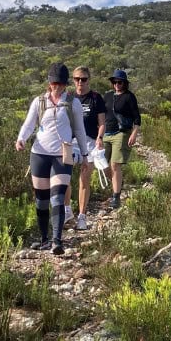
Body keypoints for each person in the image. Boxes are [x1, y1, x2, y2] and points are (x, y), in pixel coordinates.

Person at [15, 62, 89, 255]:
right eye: (54, 83)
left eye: (60, 83)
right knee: (41, 199)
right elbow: (29, 124)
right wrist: (21, 139)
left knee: (57, 197)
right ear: (49, 83)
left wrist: (85, 155)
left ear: (65, 84)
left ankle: (57, 241)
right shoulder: (39, 102)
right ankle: (44, 240)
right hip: (39, 154)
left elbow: (80, 130)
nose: (56, 86)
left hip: (62, 155)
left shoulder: (73, 103)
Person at [63, 66, 106, 231]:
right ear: (73, 80)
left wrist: (100, 138)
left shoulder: (95, 98)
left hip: (89, 142)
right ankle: (67, 211)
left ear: (89, 80)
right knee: (64, 175)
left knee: (84, 178)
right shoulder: (68, 98)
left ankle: (82, 216)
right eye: (77, 79)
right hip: (71, 142)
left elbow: (102, 123)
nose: (80, 82)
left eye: (83, 79)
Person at [102, 69, 141, 209]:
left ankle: (116, 196)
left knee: (115, 165)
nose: (117, 84)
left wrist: (134, 133)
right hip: (106, 133)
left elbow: (137, 117)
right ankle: (117, 182)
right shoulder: (107, 96)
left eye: (120, 82)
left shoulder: (129, 97)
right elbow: (101, 114)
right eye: (115, 82)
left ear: (125, 83)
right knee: (102, 164)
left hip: (121, 133)